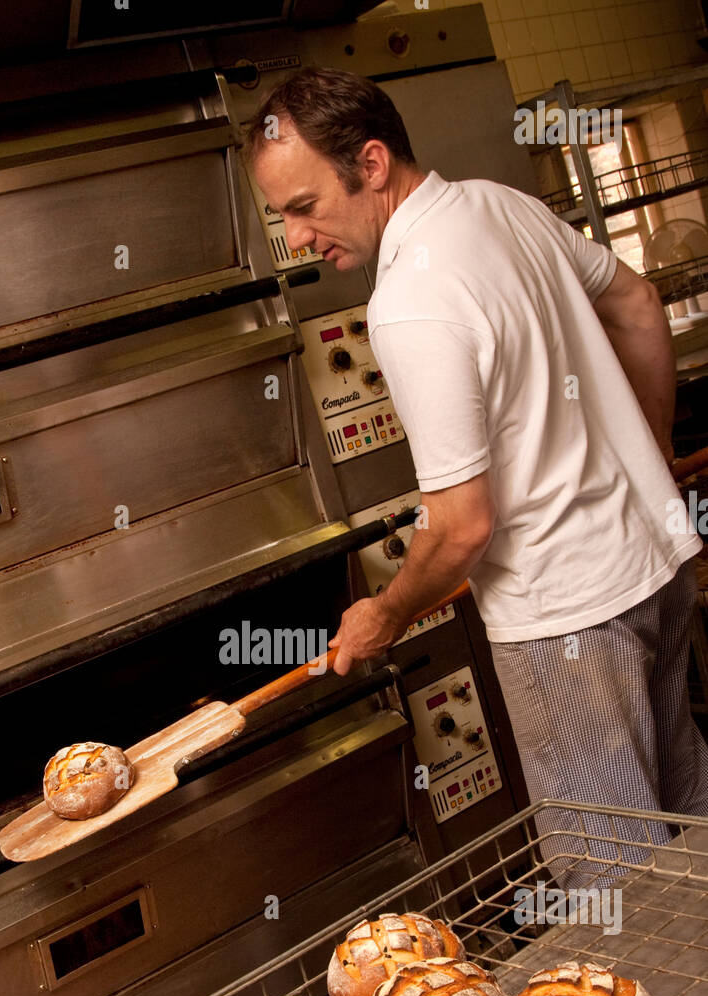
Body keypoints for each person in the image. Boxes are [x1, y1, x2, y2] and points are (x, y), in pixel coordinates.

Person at [246, 66, 708, 887]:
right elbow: (637, 303)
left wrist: (385, 613)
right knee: (690, 833)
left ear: (373, 163)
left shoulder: (409, 300)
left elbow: (461, 526)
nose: (297, 237)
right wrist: (649, 469)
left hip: (567, 618)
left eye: (305, 207)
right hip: (658, 567)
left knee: (619, 893)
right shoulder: (501, 205)